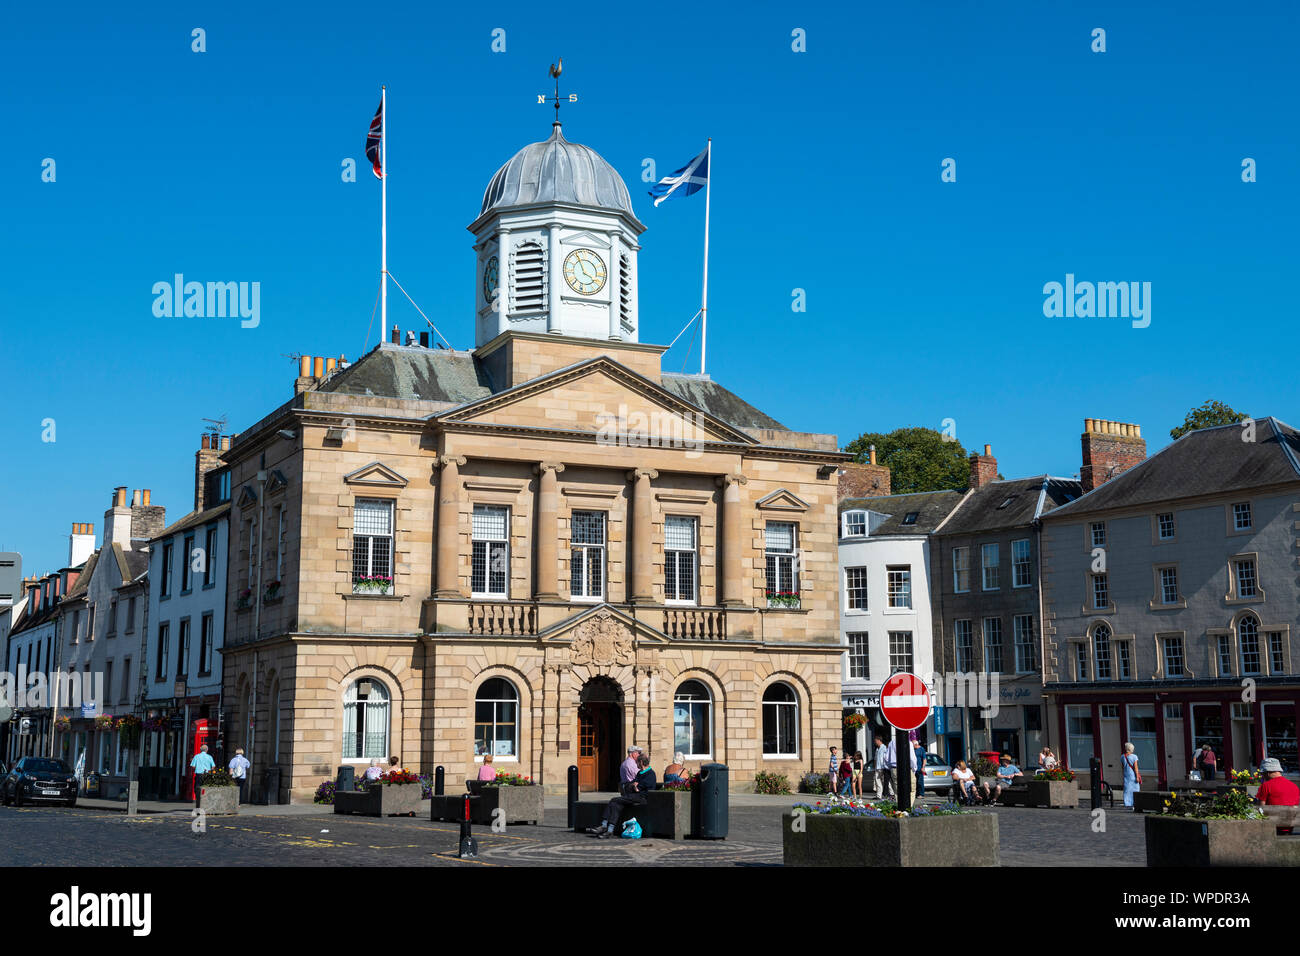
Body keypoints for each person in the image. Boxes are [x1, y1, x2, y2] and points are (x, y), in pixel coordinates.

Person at [589, 753, 657, 837]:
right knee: (616, 804)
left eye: (637, 762)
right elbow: (631, 786)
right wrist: (634, 786)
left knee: (614, 800)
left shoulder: (650, 774)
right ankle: (609, 830)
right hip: (634, 796)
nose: (636, 764)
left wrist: (635, 787)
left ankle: (603, 826)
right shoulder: (640, 773)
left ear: (641, 762)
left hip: (642, 798)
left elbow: (644, 788)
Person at [1254, 757, 1299, 834]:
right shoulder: (1295, 786)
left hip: (1271, 828)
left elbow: (1261, 809)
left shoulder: (1266, 786)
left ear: (1267, 773)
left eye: (1262, 774)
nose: (1262, 776)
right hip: (1289, 827)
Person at [1121, 742, 1142, 808]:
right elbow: (1136, 768)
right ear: (1131, 749)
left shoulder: (1122, 756)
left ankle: (1127, 803)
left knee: (1127, 790)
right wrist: (1137, 776)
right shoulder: (1134, 756)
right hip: (1133, 776)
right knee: (1135, 789)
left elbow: (1123, 767)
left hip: (1126, 775)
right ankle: (1135, 802)